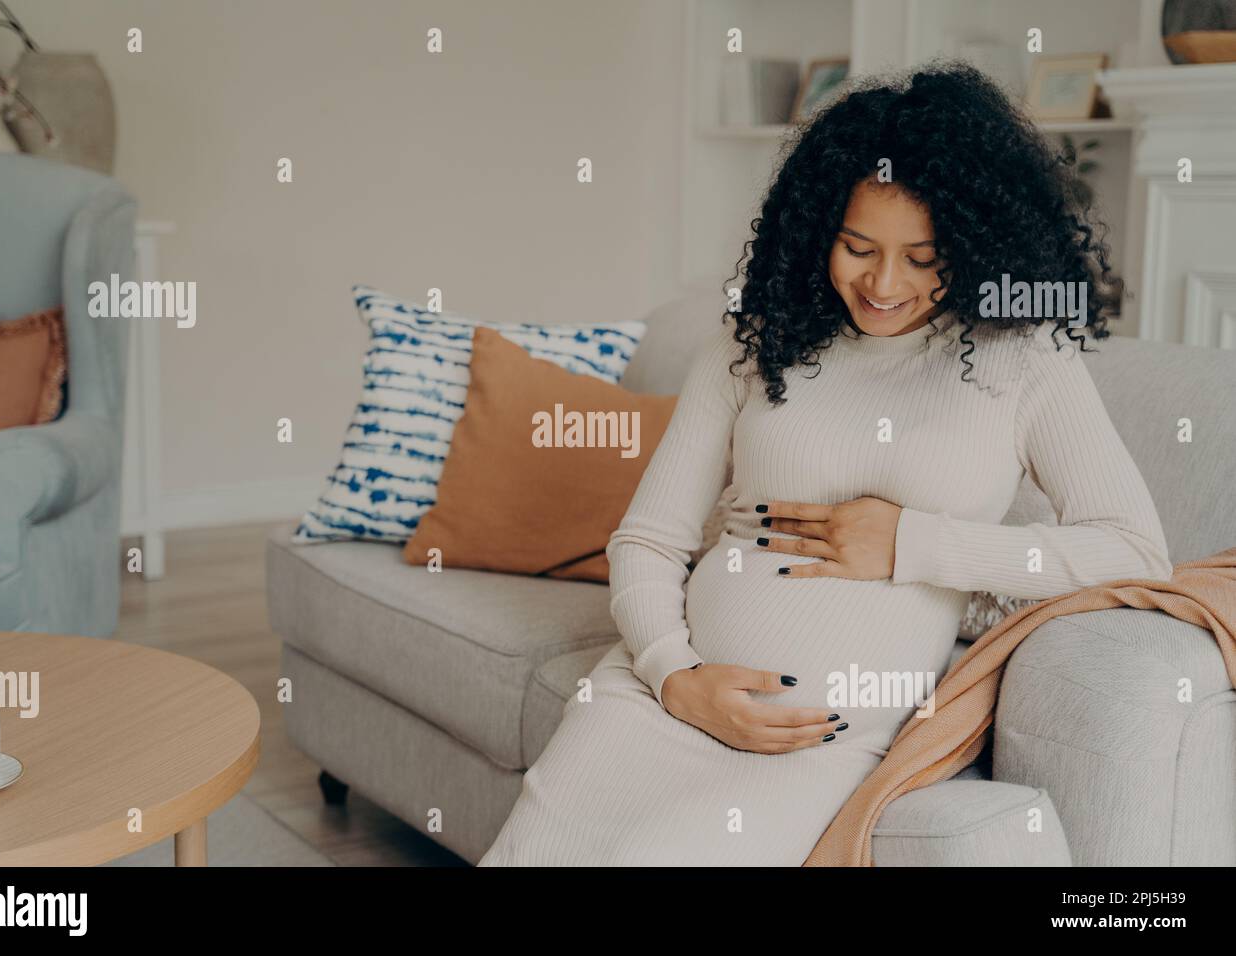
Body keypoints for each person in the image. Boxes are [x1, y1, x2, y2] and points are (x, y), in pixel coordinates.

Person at [477, 62, 1172, 866]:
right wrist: (676, 675)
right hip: (657, 699)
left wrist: (912, 543)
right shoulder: (755, 340)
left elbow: (1134, 548)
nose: (882, 283)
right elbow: (648, 540)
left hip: (817, 743)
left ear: (980, 243)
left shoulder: (1024, 360)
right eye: (857, 247)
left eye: (923, 256)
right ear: (818, 232)